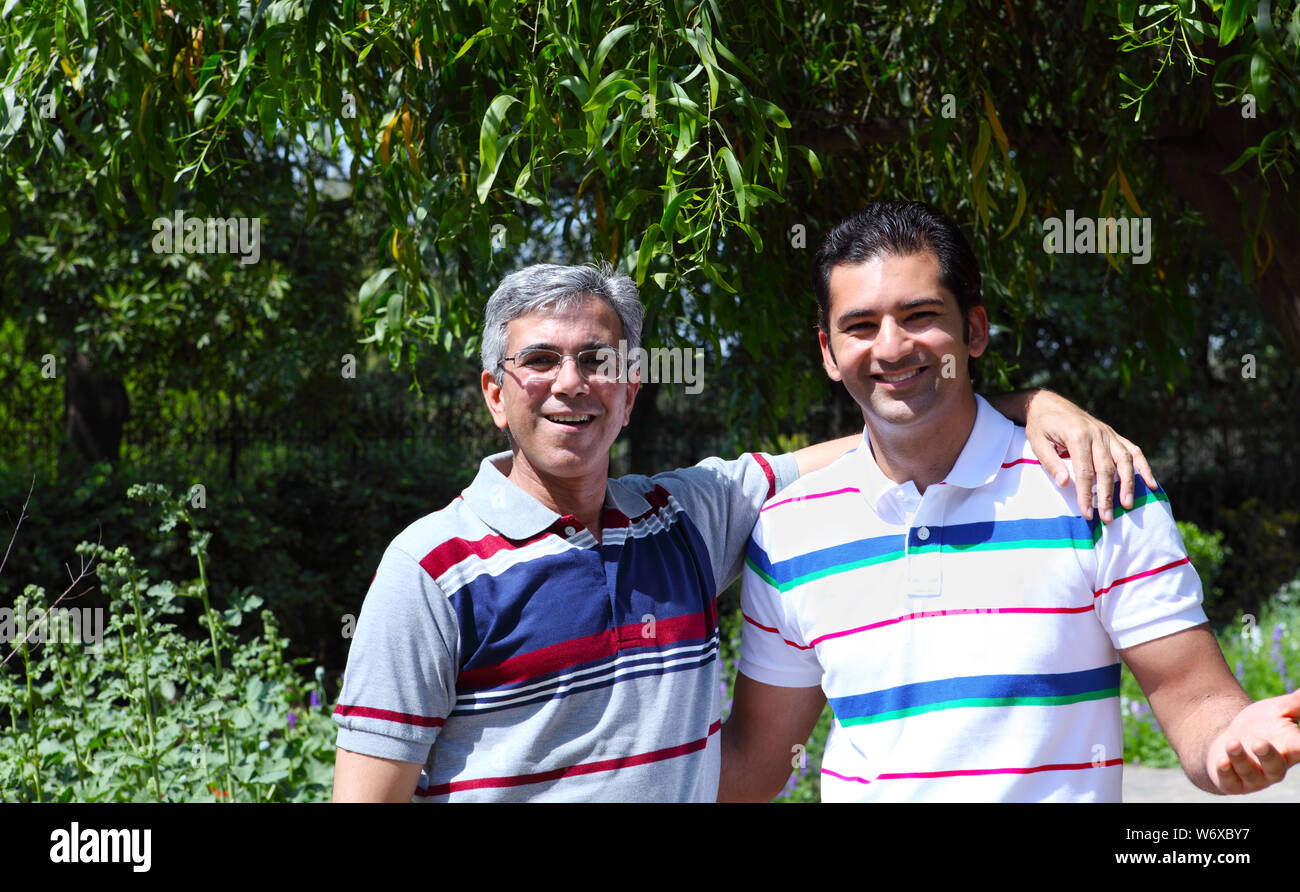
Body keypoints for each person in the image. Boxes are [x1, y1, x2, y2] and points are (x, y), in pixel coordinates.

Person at [331, 262, 1150, 802]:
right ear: (492, 392)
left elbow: (885, 433)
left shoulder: (684, 516)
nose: (570, 385)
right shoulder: (431, 570)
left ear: (632, 386)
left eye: (598, 359)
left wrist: (1032, 406)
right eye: (539, 360)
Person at [719, 200, 1300, 802]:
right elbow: (755, 763)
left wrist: (1233, 742)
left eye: (919, 315)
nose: (890, 348)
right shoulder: (788, 531)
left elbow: (1196, 699)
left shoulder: (1096, 489)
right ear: (828, 352)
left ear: (974, 330)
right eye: (860, 326)